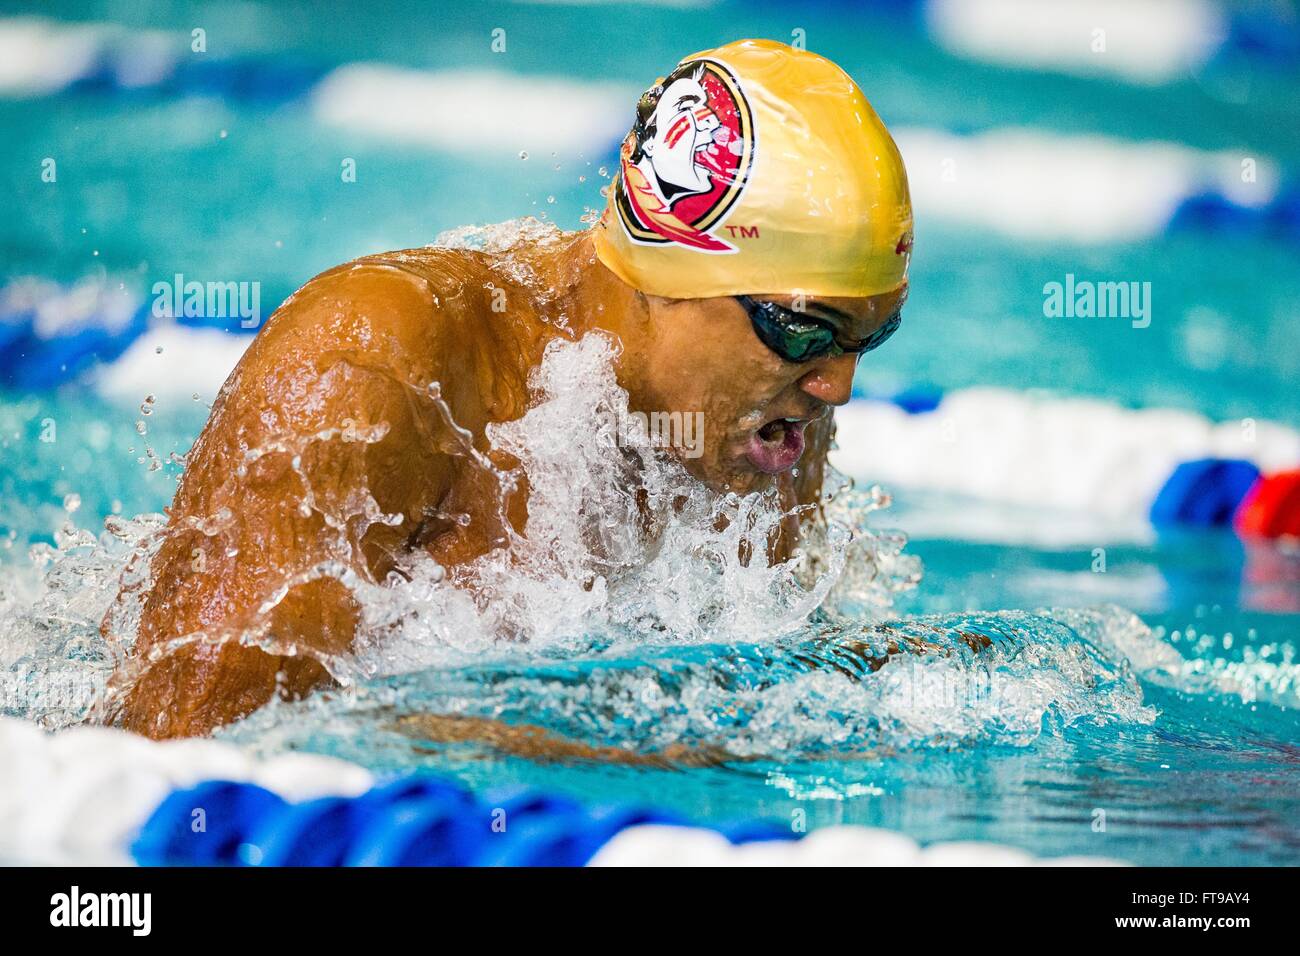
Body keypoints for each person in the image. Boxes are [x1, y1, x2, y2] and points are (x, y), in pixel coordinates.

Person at [110, 38, 913, 739]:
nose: (836, 382)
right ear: (672, 273)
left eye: (870, 335)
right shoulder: (375, 366)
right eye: (803, 328)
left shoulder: (770, 416)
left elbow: (766, 685)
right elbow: (184, 743)